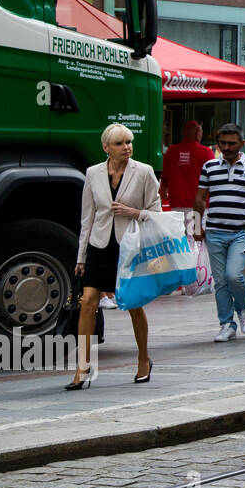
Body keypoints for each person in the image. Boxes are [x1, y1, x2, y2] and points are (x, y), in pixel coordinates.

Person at [68, 123, 162, 389]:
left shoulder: (144, 172)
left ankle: (144, 359)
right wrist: (81, 257)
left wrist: (133, 212)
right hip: (99, 245)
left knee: (133, 304)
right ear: (106, 148)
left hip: (129, 246)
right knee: (87, 302)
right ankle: (82, 368)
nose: (127, 148)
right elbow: (87, 218)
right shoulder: (92, 173)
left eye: (129, 142)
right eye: (120, 144)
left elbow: (156, 213)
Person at [193, 124, 245, 342]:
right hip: (214, 230)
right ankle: (226, 323)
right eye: (223, 143)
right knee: (220, 281)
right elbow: (199, 198)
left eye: (232, 143)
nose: (227, 147)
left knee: (234, 275)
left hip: (241, 231)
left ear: (242, 143)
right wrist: (197, 226)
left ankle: (243, 309)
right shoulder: (209, 166)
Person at [161, 120, 213, 210]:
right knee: (196, 224)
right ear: (198, 134)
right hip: (198, 206)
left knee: (179, 224)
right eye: (201, 132)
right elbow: (213, 177)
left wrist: (163, 191)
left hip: (176, 204)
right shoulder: (206, 152)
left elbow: (164, 175)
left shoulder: (171, 151)